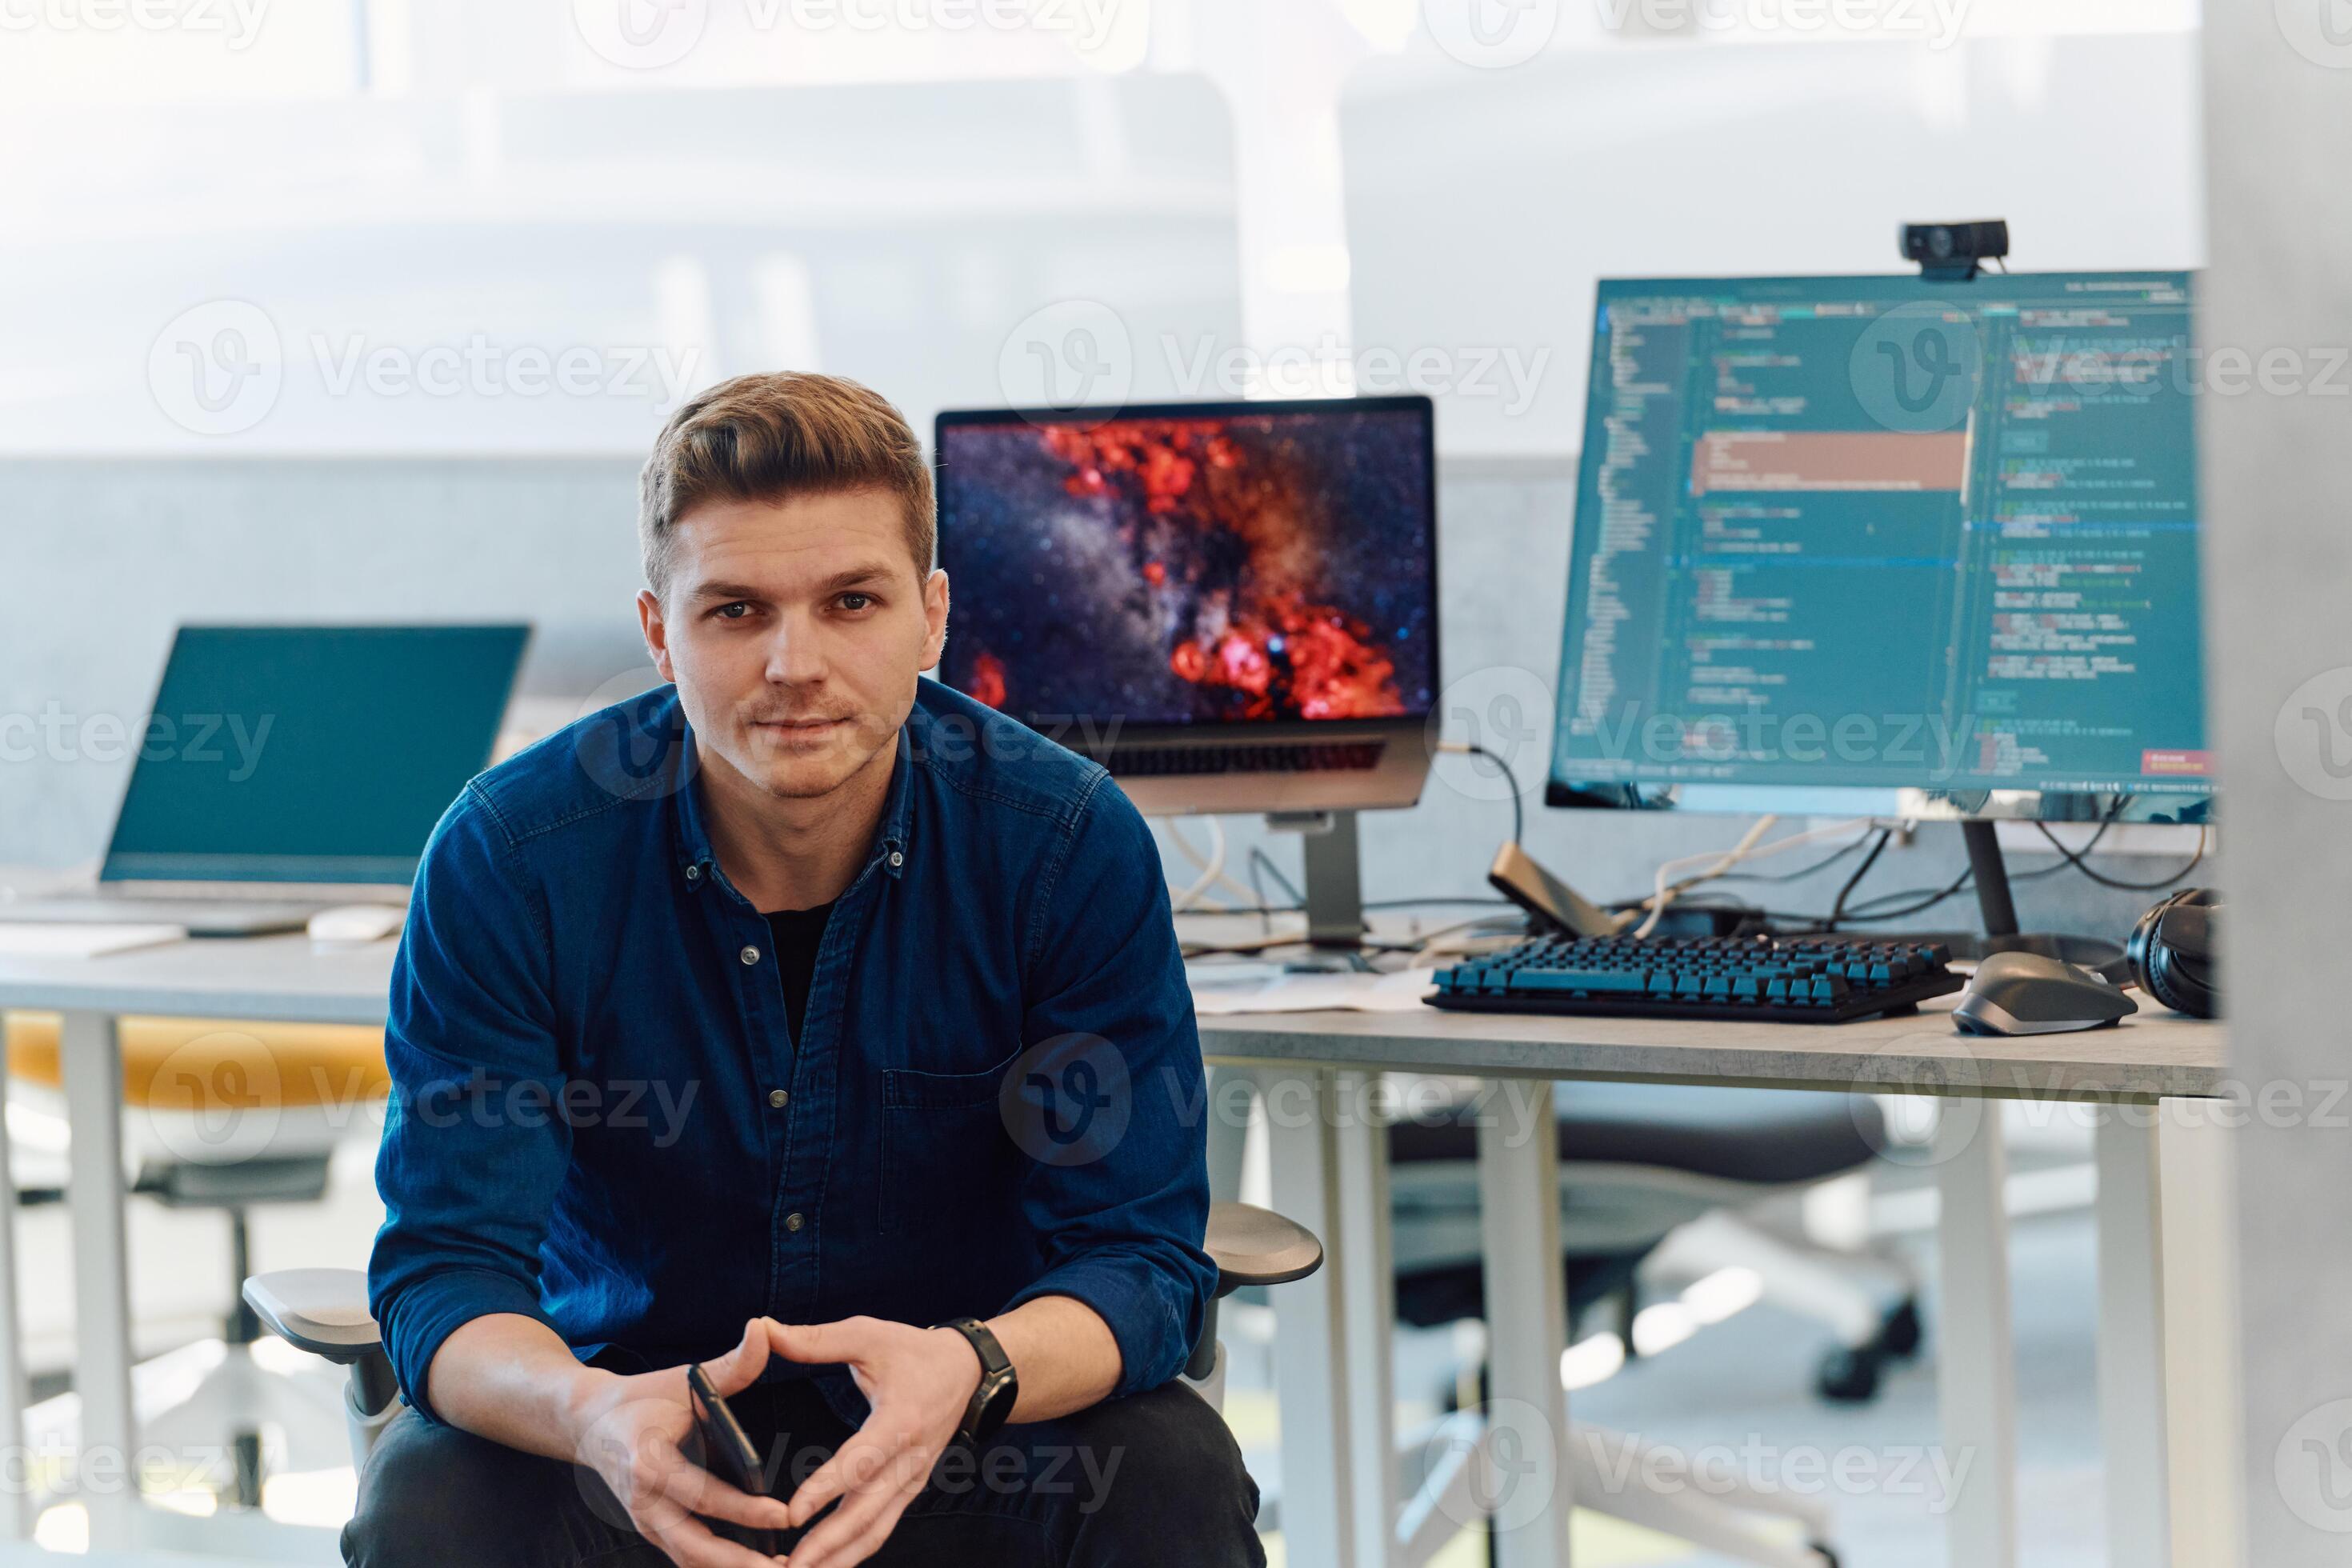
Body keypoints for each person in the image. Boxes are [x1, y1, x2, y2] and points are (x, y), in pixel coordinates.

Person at [350, 372, 1263, 1567]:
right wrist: (587, 1414)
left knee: (1172, 1474)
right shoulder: (513, 858)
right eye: (736, 610)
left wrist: (973, 1368)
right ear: (658, 633)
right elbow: (448, 1271)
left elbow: (1138, 1257)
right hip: (628, 1429)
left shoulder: (1064, 844)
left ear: (932, 617)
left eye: (852, 602)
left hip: (967, 1426)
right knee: (430, 1499)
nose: (795, 663)